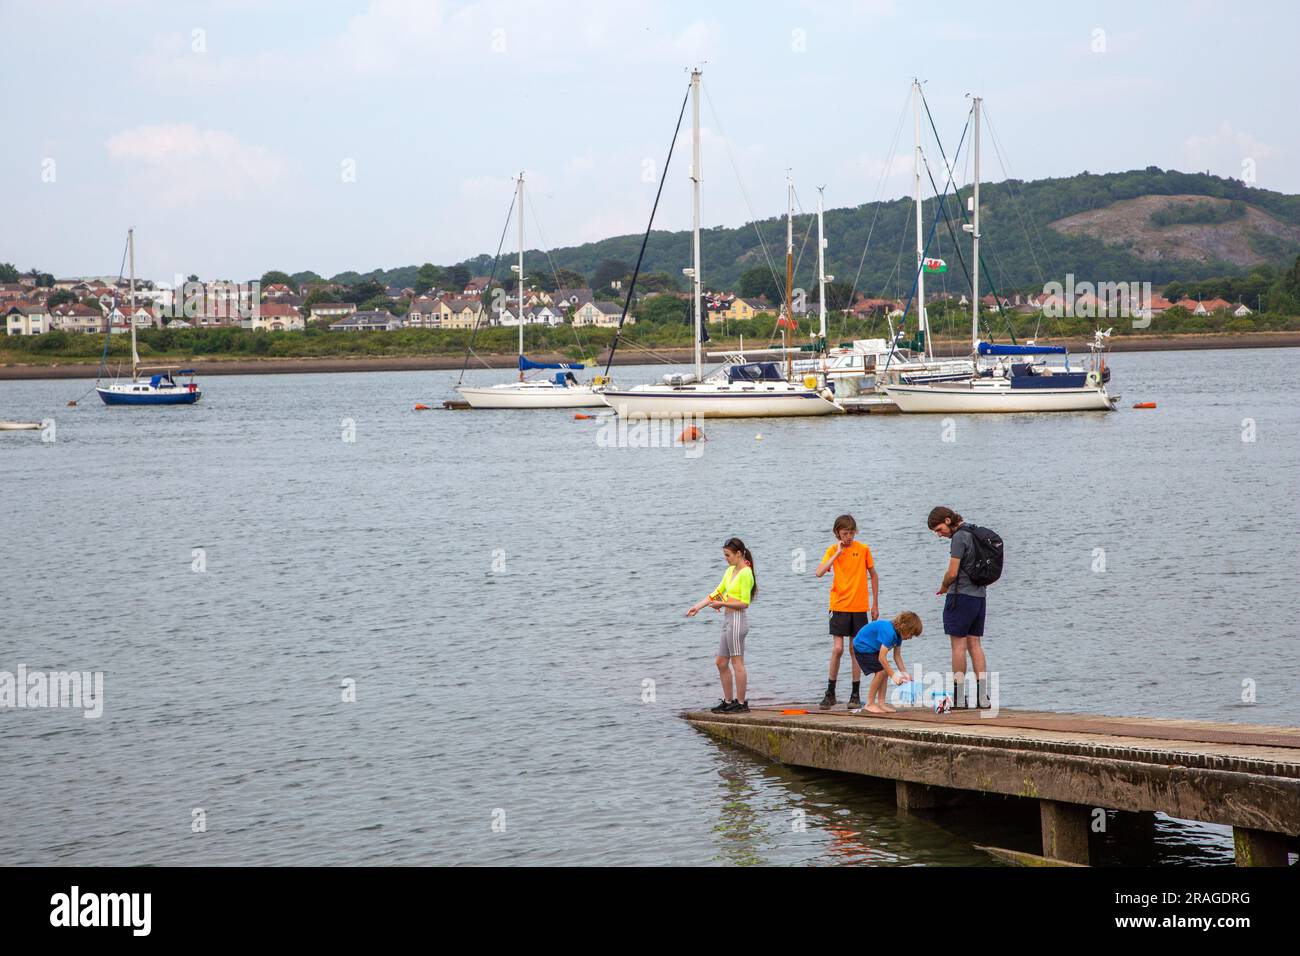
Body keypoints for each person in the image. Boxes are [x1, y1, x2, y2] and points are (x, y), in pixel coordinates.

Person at [815, 514, 878, 710]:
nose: (849, 537)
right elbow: (819, 572)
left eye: (851, 533)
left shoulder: (863, 549)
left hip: (859, 606)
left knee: (855, 649)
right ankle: (830, 692)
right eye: (845, 533)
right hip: (839, 605)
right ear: (837, 534)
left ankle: (855, 693)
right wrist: (837, 554)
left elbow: (874, 576)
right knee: (838, 649)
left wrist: (875, 604)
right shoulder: (833, 550)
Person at [927, 506, 989, 708]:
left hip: (960, 596)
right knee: (976, 645)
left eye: (939, 529)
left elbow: (953, 572)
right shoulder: (973, 531)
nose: (939, 535)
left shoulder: (959, 538)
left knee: (958, 646)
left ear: (947, 520)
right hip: (979, 596)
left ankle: (960, 698)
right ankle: (983, 698)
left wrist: (944, 586)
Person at [686, 537, 756, 714]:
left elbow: (744, 603)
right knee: (721, 662)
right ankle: (728, 700)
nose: (726, 558)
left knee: (737, 663)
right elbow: (717, 593)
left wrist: (723, 604)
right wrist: (698, 607)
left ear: (739, 554)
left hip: (738, 620)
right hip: (728, 621)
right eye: (725, 555)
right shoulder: (730, 571)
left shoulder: (746, 573)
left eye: (728, 555)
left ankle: (741, 703)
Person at [851, 612, 922, 714]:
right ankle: (869, 703)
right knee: (881, 672)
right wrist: (893, 676)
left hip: (873, 648)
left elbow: (897, 656)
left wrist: (905, 674)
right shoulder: (889, 632)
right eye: (911, 634)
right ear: (904, 627)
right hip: (862, 646)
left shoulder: (898, 636)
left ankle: (881, 703)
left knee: (884, 672)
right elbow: (881, 657)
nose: (910, 638)